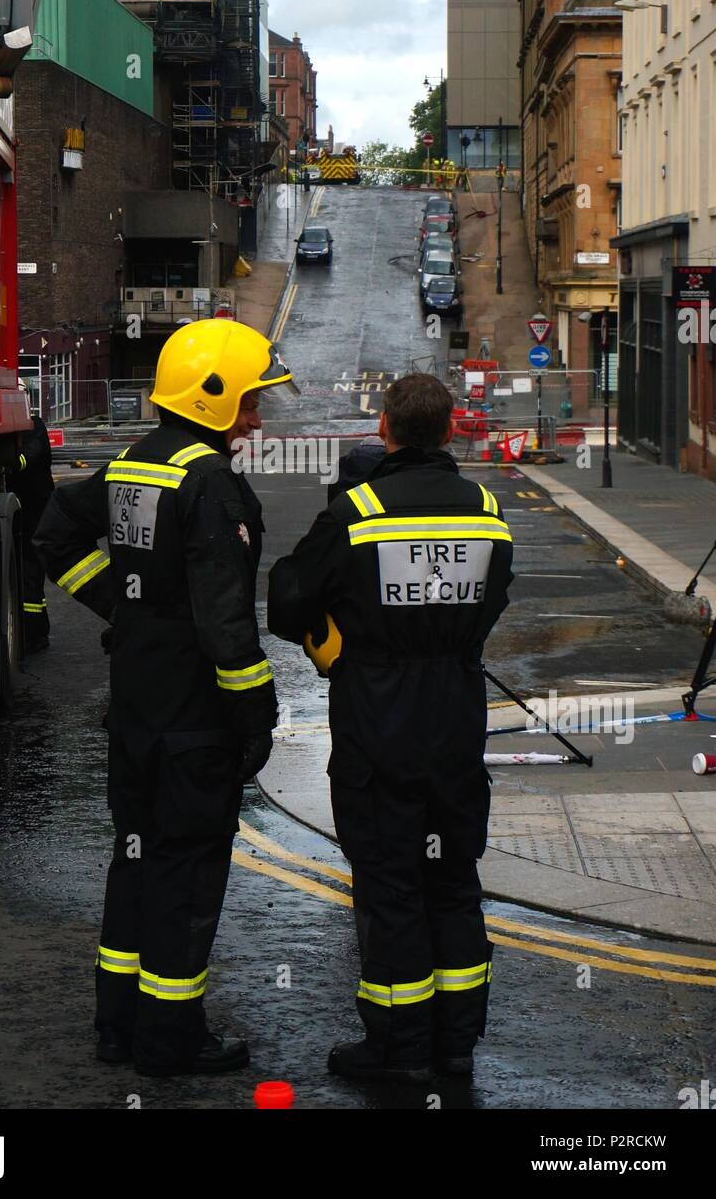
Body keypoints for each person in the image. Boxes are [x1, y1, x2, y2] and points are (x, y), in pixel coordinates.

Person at [33, 320, 296, 1077]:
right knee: (186, 873)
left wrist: (124, 608)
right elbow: (223, 621)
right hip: (192, 720)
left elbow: (54, 535)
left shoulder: (133, 462)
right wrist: (257, 711)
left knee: (135, 858)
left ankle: (116, 1026)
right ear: (212, 399)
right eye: (249, 402)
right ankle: (171, 1040)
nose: (255, 418)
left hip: (136, 709)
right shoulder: (210, 483)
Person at [267, 373, 513, 1084]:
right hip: (457, 723)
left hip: (378, 724)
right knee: (453, 883)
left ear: (385, 430)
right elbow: (493, 597)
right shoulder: (486, 511)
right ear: (448, 429)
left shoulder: (356, 511)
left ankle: (398, 1049)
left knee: (389, 886)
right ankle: (456, 1044)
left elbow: (286, 602)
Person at [7, 388, 55, 655]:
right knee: (24, 577)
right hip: (21, 513)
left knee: (30, 578)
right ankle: (32, 632)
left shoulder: (36, 428)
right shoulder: (19, 431)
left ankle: (36, 636)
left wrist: (5, 458)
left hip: (37, 515)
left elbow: (26, 459)